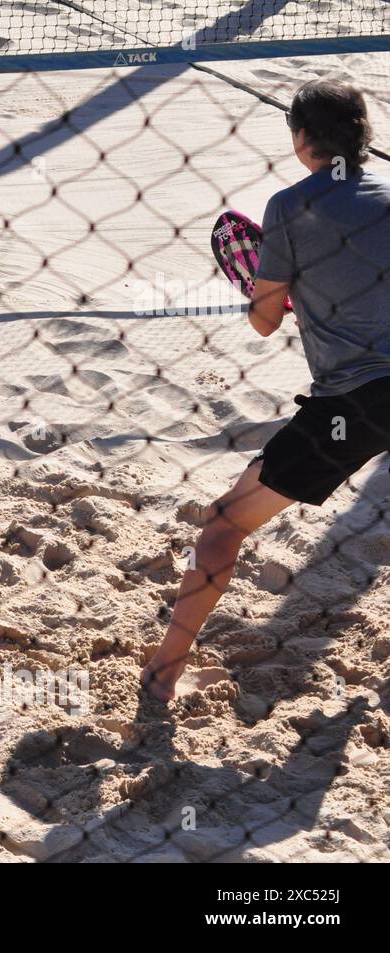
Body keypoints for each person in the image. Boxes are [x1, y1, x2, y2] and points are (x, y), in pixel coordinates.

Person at [142, 79, 390, 703]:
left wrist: (287, 294)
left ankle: (165, 669)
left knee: (225, 526)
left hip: (354, 404)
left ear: (302, 138)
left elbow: (264, 318)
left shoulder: (291, 206)